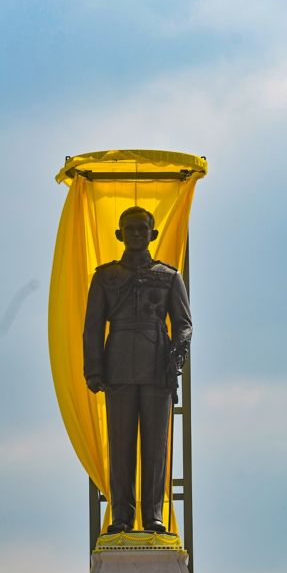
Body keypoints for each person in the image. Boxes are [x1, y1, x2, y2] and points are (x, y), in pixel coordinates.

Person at [83, 206, 192, 533]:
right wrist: (93, 369)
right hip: (118, 366)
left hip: (157, 365)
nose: (134, 233)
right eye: (128, 228)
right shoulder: (105, 277)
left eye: (141, 228)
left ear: (152, 234)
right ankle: (122, 515)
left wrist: (178, 353)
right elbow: (91, 327)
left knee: (156, 447)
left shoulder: (169, 276)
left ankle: (154, 515)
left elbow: (184, 324)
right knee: (121, 445)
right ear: (119, 234)